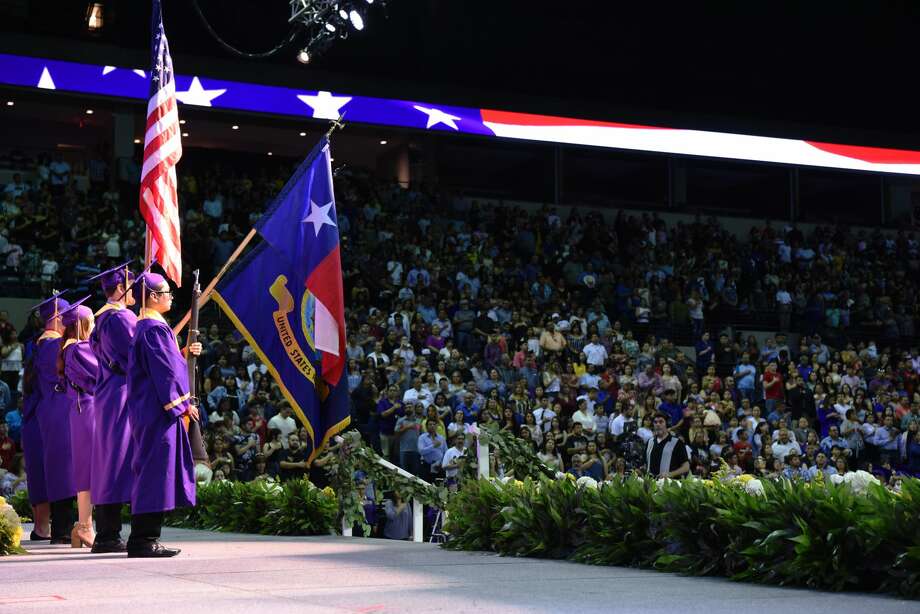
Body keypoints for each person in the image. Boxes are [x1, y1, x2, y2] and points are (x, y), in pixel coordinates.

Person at [125, 273, 201, 557]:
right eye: (167, 292)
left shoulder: (149, 327)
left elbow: (167, 364)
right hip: (157, 412)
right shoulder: (153, 329)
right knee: (153, 473)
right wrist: (182, 405)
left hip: (151, 409)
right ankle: (143, 540)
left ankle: (146, 538)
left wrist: (184, 352)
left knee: (154, 471)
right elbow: (166, 373)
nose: (171, 296)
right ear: (153, 296)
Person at [86, 261, 138, 552]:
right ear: (120, 288)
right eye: (131, 287)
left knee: (109, 461)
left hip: (108, 393)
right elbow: (136, 356)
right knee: (116, 462)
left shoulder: (101, 319)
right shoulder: (120, 319)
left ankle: (107, 532)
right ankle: (108, 534)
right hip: (121, 394)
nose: (135, 293)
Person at [32, 292, 77, 544]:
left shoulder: (44, 343)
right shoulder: (51, 345)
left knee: (62, 468)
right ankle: (62, 529)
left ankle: (62, 527)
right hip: (59, 408)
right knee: (63, 470)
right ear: (58, 317)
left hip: (54, 407)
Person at [58, 298, 99, 548]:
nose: (94, 325)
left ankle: (82, 526)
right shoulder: (79, 349)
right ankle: (85, 526)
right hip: (88, 411)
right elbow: (101, 373)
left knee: (88, 468)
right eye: (92, 321)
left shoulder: (71, 348)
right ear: (82, 324)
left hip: (82, 411)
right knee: (89, 469)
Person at [645, 413, 690, 479]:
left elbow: (686, 467)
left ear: (667, 424)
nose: (658, 424)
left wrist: (670, 474)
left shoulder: (677, 443)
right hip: (650, 485)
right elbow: (645, 464)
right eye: (655, 422)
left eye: (661, 422)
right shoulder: (649, 442)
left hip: (668, 486)